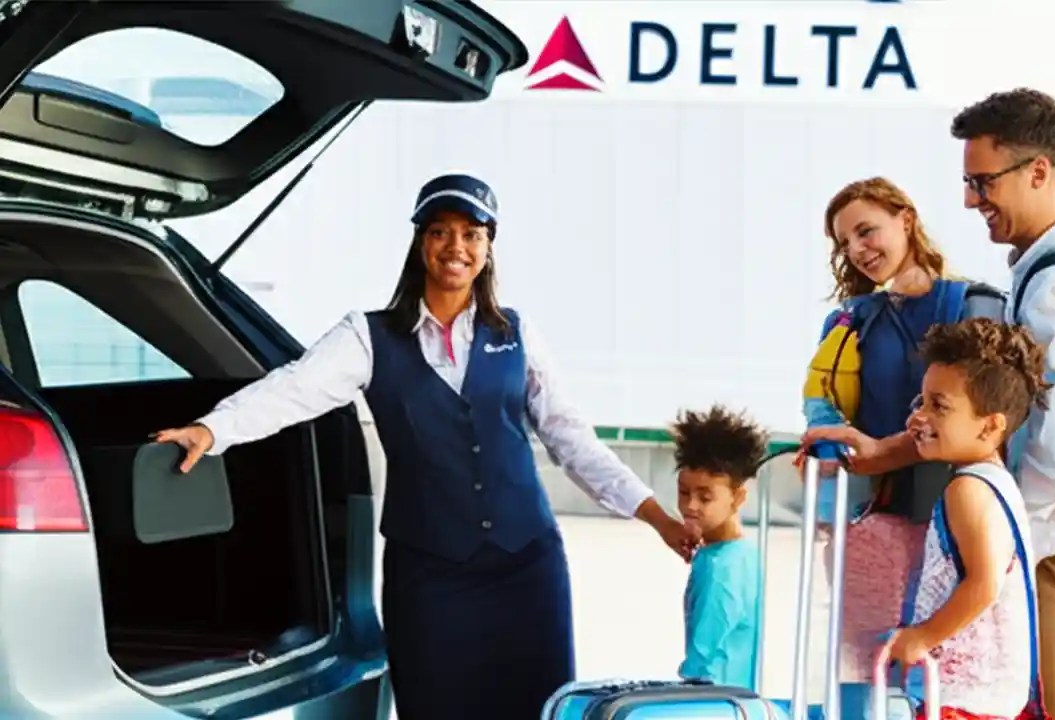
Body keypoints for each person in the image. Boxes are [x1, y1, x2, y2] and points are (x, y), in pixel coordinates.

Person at [150, 173, 701, 719]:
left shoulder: (517, 334)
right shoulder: (369, 336)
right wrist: (214, 429)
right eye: (440, 231)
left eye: (471, 233)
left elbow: (572, 439)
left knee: (539, 710)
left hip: (526, 567)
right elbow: (294, 389)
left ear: (488, 248)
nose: (455, 247)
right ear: (420, 243)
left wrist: (658, 517)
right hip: (430, 574)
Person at [814, 89, 1055, 720]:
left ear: (1038, 171)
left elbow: (1054, 456)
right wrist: (886, 450)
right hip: (1047, 545)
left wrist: (990, 552)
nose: (970, 199)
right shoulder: (1036, 273)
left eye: (982, 181)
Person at [798, 177, 1001, 706]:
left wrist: (883, 451)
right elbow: (827, 412)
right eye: (845, 243)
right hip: (877, 527)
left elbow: (987, 424)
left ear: (905, 219)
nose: (858, 250)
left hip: (955, 524)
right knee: (864, 680)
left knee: (945, 685)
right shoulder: (851, 322)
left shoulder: (975, 307)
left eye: (867, 231)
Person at [881, 317, 1050, 720]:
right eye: (920, 402)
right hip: (986, 699)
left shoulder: (969, 489)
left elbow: (984, 582)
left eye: (938, 406)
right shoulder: (997, 483)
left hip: (964, 700)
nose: (919, 417)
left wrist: (922, 638)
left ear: (990, 426)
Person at [671, 404, 768, 690]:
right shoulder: (742, 553)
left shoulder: (719, 568)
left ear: (737, 498)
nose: (690, 506)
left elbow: (702, 663)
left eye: (705, 497)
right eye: (684, 492)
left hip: (714, 703)